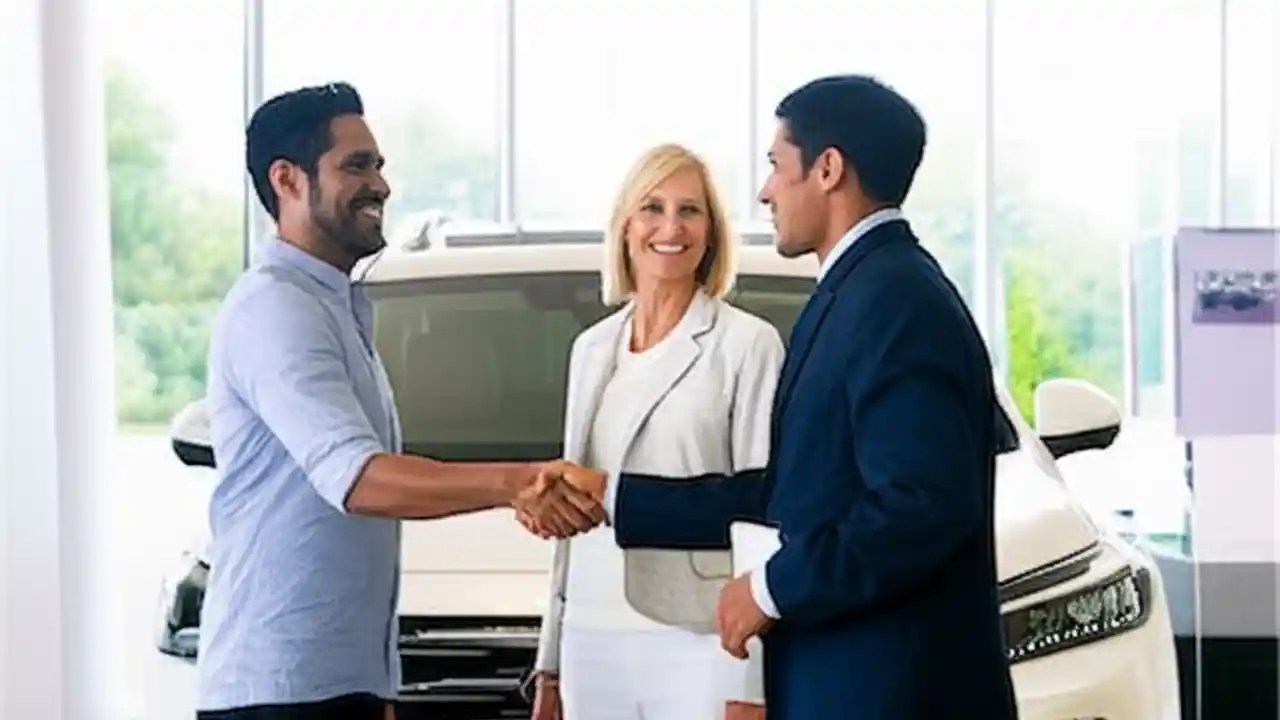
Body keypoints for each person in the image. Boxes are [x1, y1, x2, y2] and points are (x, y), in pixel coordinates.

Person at [532, 75, 1019, 719]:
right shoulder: (857, 292)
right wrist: (612, 495)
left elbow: (921, 507)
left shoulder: (895, 302)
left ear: (828, 170)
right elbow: (784, 494)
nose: (765, 190)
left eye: (775, 164)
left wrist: (770, 588)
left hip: (885, 693)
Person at [197, 82, 600, 720]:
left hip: (341, 682)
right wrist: (518, 482)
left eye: (379, 165)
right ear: (287, 179)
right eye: (356, 166)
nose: (380, 185)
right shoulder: (275, 309)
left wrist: (375, 686)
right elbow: (358, 479)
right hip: (284, 689)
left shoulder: (339, 305)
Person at [526, 143, 785, 720]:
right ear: (625, 225)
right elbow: (570, 526)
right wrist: (551, 662)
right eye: (652, 207)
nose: (671, 227)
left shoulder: (747, 344)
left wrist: (753, 682)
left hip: (700, 637)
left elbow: (761, 515)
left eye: (689, 210)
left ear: (711, 232)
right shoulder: (591, 349)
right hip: (590, 635)